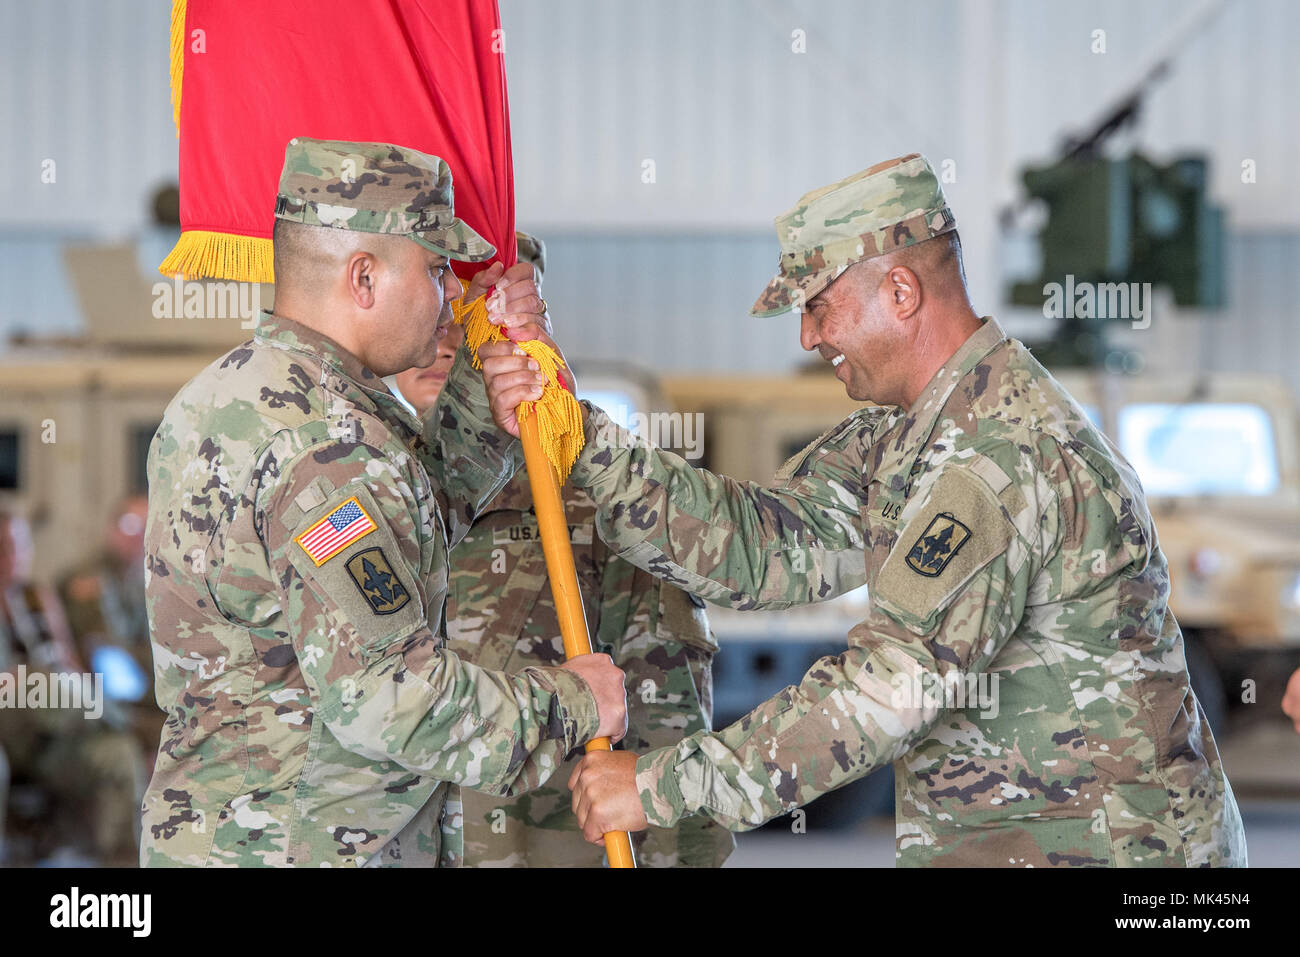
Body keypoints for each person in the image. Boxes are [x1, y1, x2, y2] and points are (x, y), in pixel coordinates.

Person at [478, 154, 1247, 867]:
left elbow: (884, 691)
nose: (810, 336)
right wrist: (574, 430)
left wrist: (660, 785)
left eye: (819, 307)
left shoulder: (1001, 454)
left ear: (902, 292)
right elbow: (759, 548)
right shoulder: (904, 435)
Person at [140, 137, 627, 868]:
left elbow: (406, 532)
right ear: (362, 277)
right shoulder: (326, 447)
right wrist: (573, 701)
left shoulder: (230, 394)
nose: (452, 296)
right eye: (435, 270)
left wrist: (477, 402)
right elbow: (392, 698)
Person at [393, 232, 733, 867]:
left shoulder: (604, 511)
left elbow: (668, 734)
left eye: (477, 316)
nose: (446, 339)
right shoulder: (347, 499)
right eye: (435, 303)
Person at [0, 505, 145, 865]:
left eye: (20, 546)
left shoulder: (35, 598)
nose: (13, 557)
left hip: (56, 733)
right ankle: (130, 721)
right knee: (38, 681)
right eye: (4, 547)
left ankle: (124, 869)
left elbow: (71, 664)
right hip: (11, 725)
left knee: (118, 754)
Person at [59, 494, 165, 765]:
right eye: (130, 525)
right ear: (111, 529)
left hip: (141, 694)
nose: (137, 535)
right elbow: (111, 665)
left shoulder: (147, 581)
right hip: (102, 702)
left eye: (146, 526)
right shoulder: (87, 581)